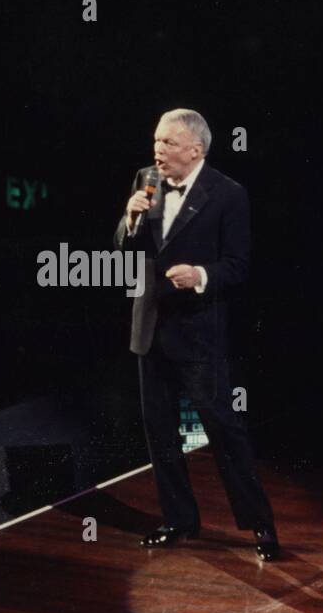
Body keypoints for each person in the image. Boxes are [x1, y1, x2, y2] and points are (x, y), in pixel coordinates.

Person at [113, 109, 279, 560]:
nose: (157, 151)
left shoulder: (227, 194)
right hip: (150, 327)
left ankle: (259, 524)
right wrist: (129, 221)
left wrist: (201, 274)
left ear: (195, 149)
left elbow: (239, 265)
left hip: (199, 333)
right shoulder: (145, 179)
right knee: (160, 432)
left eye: (167, 143)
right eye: (155, 142)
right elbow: (124, 249)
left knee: (223, 429)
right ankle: (179, 519)